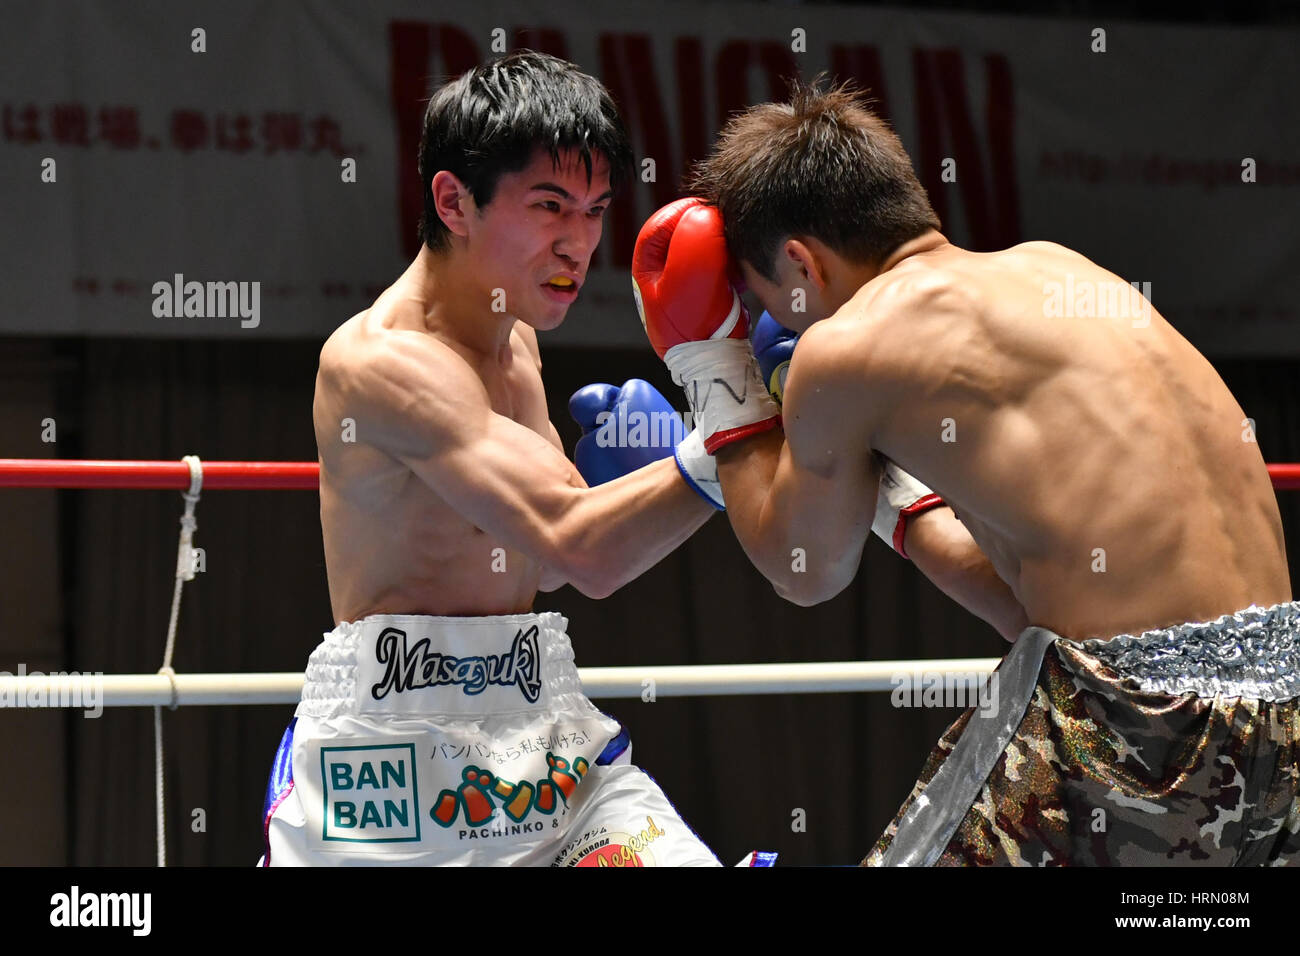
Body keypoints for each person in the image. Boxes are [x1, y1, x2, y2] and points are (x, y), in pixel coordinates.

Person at [630, 74, 1298, 866]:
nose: (774, 324)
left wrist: (716, 368)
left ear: (802, 264)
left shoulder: (848, 351)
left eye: (767, 301)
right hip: (1284, 715)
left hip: (1132, 726)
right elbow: (1031, 594)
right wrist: (877, 481)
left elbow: (803, 569)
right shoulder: (1061, 272)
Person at [259, 51, 736, 867]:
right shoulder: (381, 363)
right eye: (550, 205)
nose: (580, 242)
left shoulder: (515, 344)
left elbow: (544, 563)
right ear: (454, 201)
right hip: (396, 762)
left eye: (594, 210)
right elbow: (579, 546)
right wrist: (723, 436)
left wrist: (648, 476)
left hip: (539, 719)